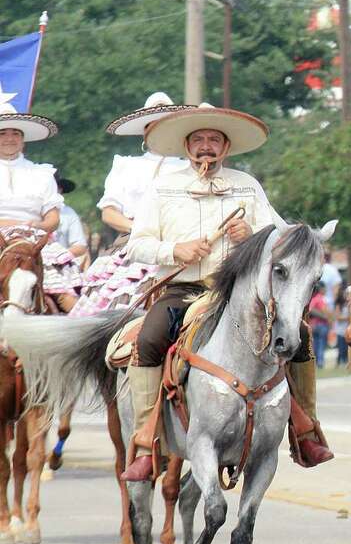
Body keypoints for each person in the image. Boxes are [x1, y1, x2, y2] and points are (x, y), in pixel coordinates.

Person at [121, 105, 333, 481]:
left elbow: (281, 239)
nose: (206, 146)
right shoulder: (163, 186)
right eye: (199, 139)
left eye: (214, 140)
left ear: (226, 147)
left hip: (239, 292)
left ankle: (306, 430)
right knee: (149, 338)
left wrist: (251, 234)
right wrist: (175, 250)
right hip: (183, 290)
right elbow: (136, 245)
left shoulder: (247, 185)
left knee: (299, 336)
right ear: (187, 145)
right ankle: (146, 439)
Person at [72, 92, 190, 317]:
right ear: (144, 131)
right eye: (153, 125)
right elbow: (109, 214)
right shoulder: (127, 166)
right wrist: (143, 230)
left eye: (165, 124)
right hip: (134, 242)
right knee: (104, 304)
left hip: (181, 242)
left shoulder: (190, 166)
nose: (159, 130)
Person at [0, 103, 82, 311]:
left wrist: (36, 226)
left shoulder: (42, 174)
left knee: (64, 296)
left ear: (23, 139)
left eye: (15, 133)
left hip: (34, 239)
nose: (9, 138)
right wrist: (15, 223)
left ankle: (79, 326)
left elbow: (53, 219)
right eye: (3, 133)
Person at [52, 173, 89, 270]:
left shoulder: (68, 213)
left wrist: (62, 256)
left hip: (58, 265)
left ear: (60, 190)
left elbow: (80, 245)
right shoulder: (28, 211)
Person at [308, 286, 333, 368]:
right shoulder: (320, 298)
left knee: (314, 344)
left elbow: (310, 310)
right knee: (321, 344)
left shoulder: (312, 299)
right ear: (321, 289)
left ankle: (314, 362)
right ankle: (320, 362)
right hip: (322, 324)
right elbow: (324, 310)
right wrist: (328, 319)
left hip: (313, 325)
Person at [333, 285, 351, 366]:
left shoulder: (347, 304)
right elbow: (338, 317)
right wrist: (348, 318)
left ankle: (346, 361)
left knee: (347, 347)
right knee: (341, 347)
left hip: (347, 329)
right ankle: (340, 362)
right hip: (340, 330)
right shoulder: (338, 305)